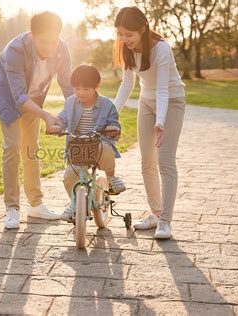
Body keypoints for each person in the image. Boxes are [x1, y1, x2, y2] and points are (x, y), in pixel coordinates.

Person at [0, 11, 74, 229]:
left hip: (34, 98)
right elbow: (18, 97)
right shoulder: (15, 50)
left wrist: (78, 114)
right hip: (9, 98)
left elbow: (68, 86)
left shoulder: (61, 49)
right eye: (44, 42)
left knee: (31, 148)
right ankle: (12, 208)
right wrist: (46, 115)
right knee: (12, 147)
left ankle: (35, 204)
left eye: (53, 41)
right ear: (32, 36)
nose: (49, 47)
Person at [113, 6, 186, 239]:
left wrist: (161, 121)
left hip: (171, 101)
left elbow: (163, 89)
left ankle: (166, 221)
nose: (125, 40)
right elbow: (127, 84)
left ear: (143, 29)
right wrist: (111, 113)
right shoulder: (126, 48)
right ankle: (155, 214)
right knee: (147, 162)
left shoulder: (161, 49)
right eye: (121, 34)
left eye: (129, 35)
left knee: (165, 162)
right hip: (146, 102)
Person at [47, 64, 126, 221]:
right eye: (77, 89)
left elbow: (114, 122)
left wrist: (113, 128)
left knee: (105, 147)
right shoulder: (70, 102)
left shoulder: (106, 104)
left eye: (86, 89)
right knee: (69, 177)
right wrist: (57, 126)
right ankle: (75, 203)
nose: (81, 93)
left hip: (97, 144)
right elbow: (63, 118)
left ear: (96, 87)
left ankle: (111, 179)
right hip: (78, 146)